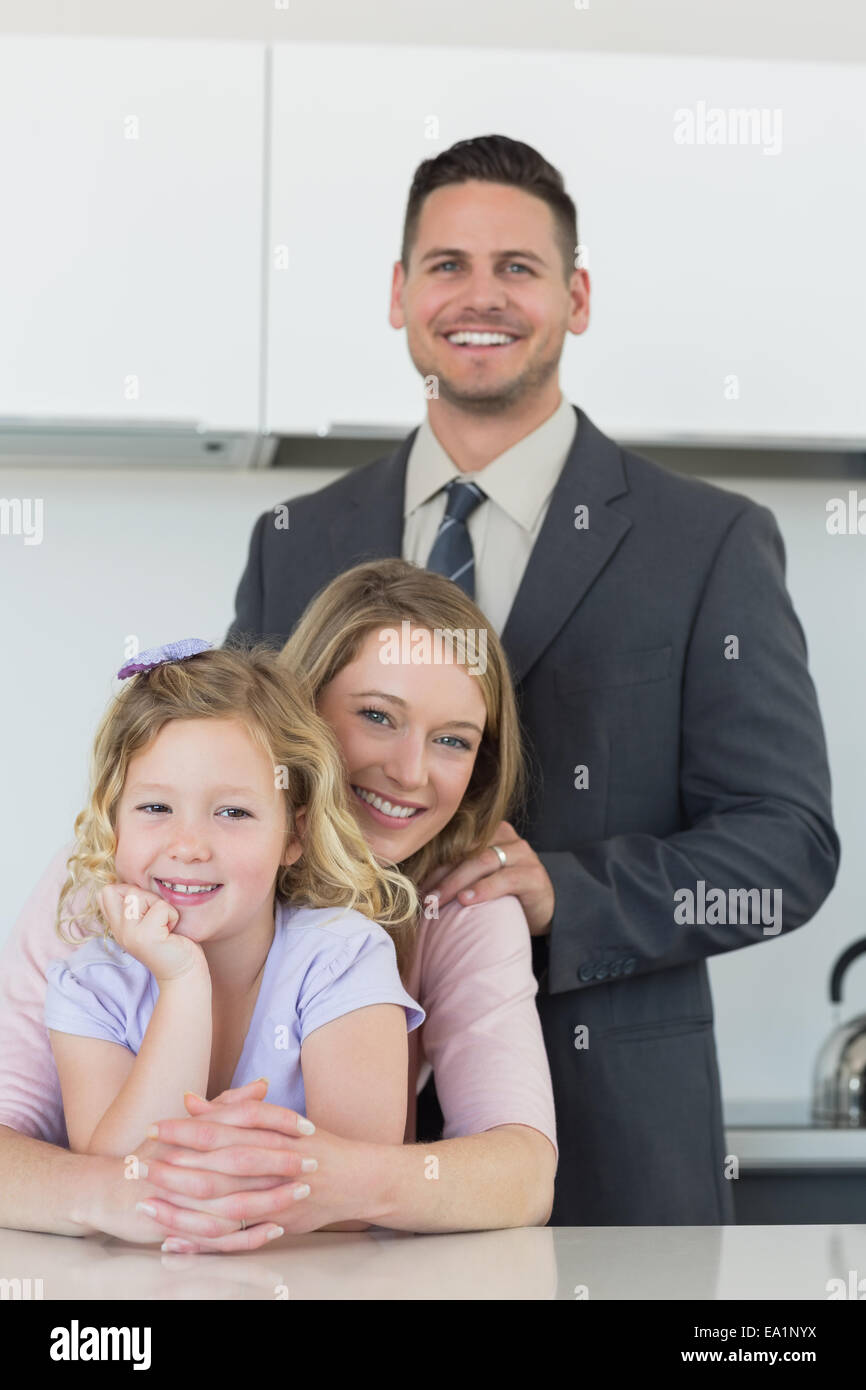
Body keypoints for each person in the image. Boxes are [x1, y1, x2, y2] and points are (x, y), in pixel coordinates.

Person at [222, 133, 840, 1224]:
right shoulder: (295, 539)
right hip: (317, 1138)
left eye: (518, 267)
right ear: (399, 293)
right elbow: (241, 796)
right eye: (447, 264)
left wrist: (569, 892)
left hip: (613, 1141)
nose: (480, 296)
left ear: (576, 296)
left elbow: (784, 846)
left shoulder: (705, 544)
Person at [0, 562, 557, 1248]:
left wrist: (287, 1176)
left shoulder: (437, 910)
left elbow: (521, 1171)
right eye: (377, 715)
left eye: (453, 739)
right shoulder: (101, 896)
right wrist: (134, 1193)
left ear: (294, 824)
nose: (410, 772)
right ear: (307, 714)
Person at [44, 638, 424, 1199]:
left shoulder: (342, 958)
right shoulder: (90, 985)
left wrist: (200, 1170)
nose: (189, 845)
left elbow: (351, 1195)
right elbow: (122, 1190)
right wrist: (182, 982)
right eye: (155, 807)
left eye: (233, 812)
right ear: (112, 819)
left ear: (293, 836)